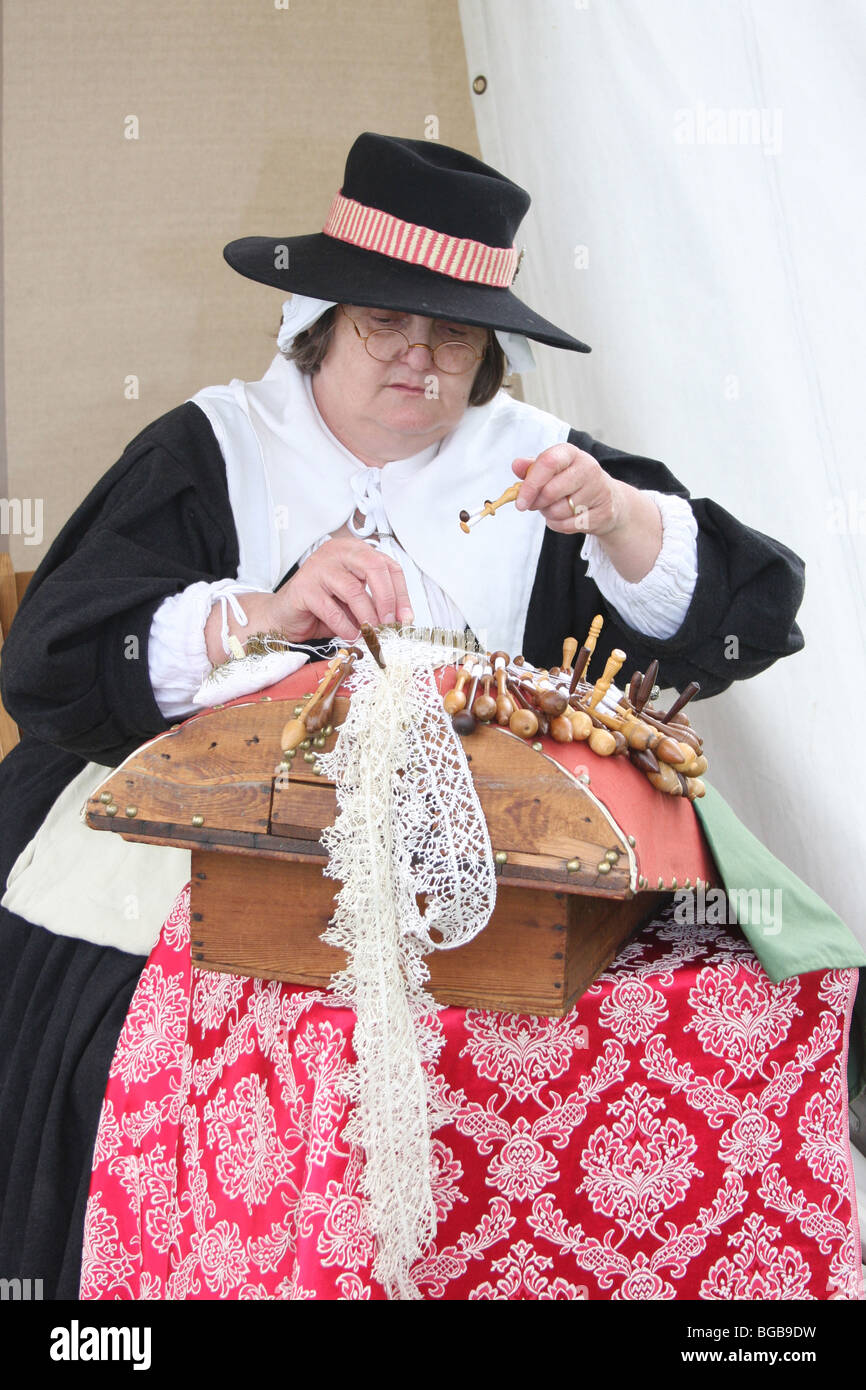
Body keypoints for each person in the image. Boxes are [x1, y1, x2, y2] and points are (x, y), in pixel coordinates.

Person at [0, 132, 815, 1299]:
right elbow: (54, 659)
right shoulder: (212, 443)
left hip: (490, 853)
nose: (420, 359)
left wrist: (625, 522)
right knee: (127, 1044)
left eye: (455, 336)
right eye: (387, 323)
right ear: (320, 319)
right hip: (198, 838)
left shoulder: (537, 464)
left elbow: (745, 617)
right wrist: (264, 611)